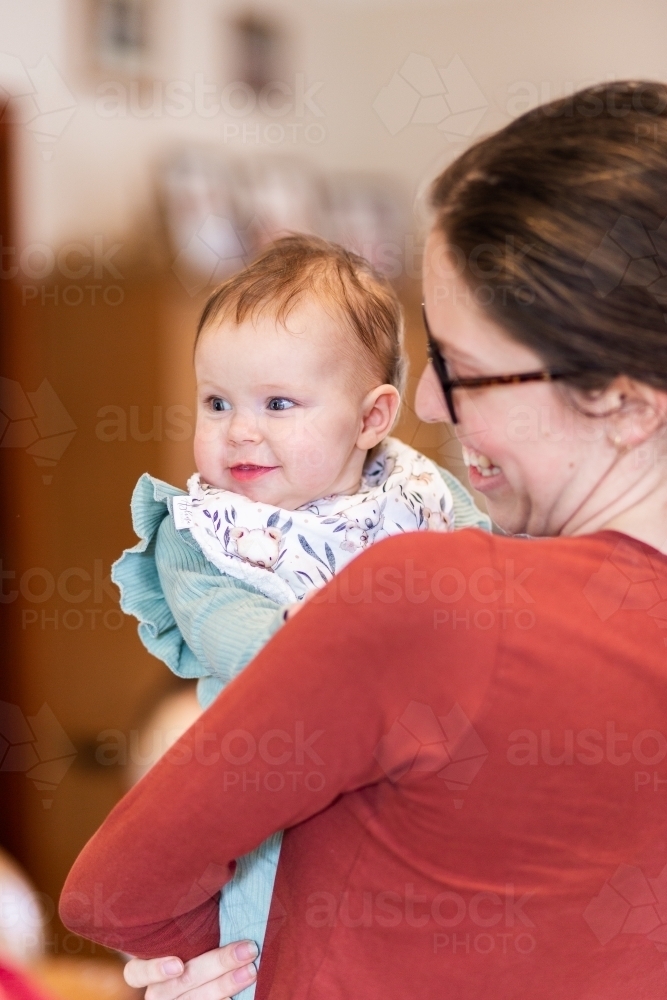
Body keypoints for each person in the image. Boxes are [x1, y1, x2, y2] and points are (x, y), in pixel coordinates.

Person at [61, 81, 667, 999]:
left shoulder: (426, 601)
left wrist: (214, 957)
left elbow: (111, 892)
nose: (426, 407)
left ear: (623, 399)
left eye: (462, 374)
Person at [110, 233, 490, 997]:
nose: (240, 430)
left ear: (371, 417)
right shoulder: (203, 535)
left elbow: (497, 585)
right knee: (274, 934)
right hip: (278, 789)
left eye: (277, 404)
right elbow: (259, 660)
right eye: (217, 402)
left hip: (422, 789)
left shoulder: (423, 497)